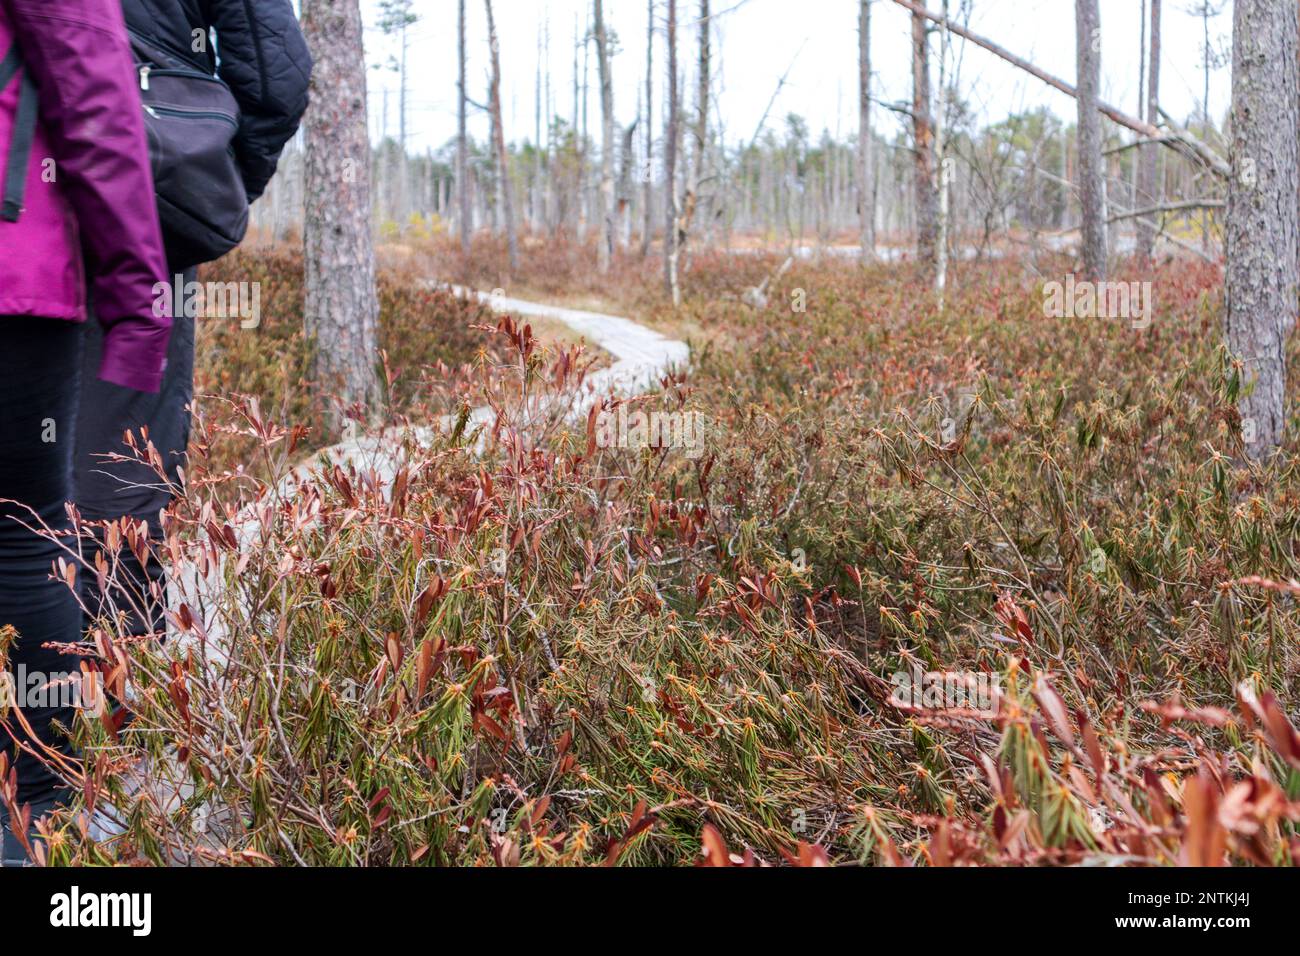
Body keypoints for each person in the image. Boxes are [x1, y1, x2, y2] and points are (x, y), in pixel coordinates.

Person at [74, 0, 311, 638]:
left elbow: (274, 80)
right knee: (117, 479)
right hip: (139, 220)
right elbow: (274, 79)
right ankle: (112, 711)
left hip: (72, 220)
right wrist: (190, 188)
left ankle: (69, 710)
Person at [0, 0, 172, 861]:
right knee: (21, 541)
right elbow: (96, 95)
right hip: (13, 278)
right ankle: (36, 816)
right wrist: (142, 300)